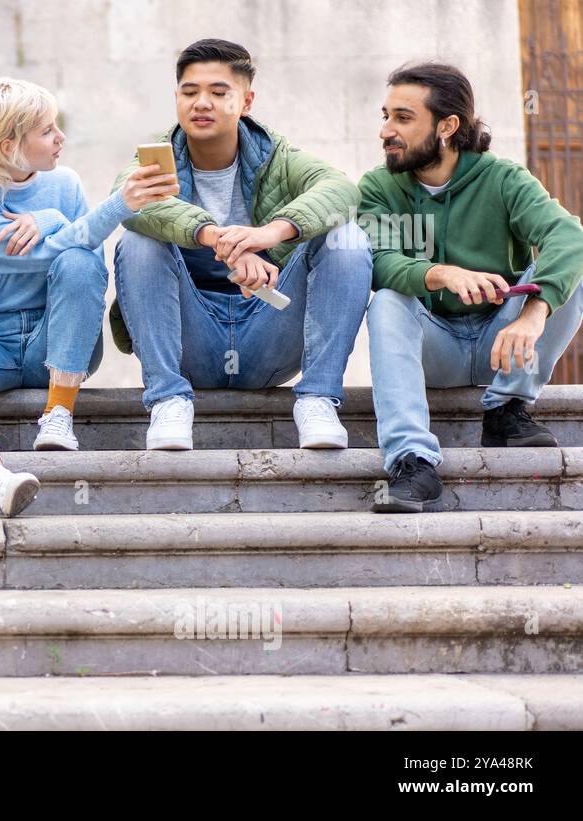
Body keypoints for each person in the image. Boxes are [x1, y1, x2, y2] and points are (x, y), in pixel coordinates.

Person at [0, 77, 174, 516]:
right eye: (47, 131)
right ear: (7, 144)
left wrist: (48, 215)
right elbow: (39, 255)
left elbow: (81, 259)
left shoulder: (65, 184)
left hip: (55, 343)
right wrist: (114, 205)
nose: (61, 138)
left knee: (81, 262)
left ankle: (58, 414)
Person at [111, 39, 372, 451]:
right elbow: (130, 204)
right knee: (137, 240)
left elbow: (341, 190)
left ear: (245, 101)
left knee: (347, 238)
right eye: (190, 91)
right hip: (191, 338)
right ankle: (167, 400)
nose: (202, 103)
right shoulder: (157, 159)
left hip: (269, 327)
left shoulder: (278, 157)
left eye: (219, 93)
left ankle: (319, 398)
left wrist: (269, 234)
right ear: (176, 98)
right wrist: (221, 239)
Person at [362, 62, 583, 513]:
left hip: (502, 345)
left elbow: (568, 235)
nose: (387, 130)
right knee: (386, 301)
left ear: (447, 126)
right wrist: (441, 273)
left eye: (403, 118)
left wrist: (533, 312)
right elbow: (380, 263)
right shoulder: (378, 187)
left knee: (573, 266)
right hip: (434, 346)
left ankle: (505, 412)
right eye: (385, 116)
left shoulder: (503, 179)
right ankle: (413, 461)